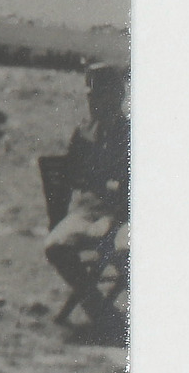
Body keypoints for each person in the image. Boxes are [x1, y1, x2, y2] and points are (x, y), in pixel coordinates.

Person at [42, 62, 128, 343]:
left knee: (125, 251)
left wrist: (113, 220)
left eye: (100, 94)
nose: (92, 100)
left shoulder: (131, 134)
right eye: (90, 94)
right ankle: (104, 315)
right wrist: (58, 219)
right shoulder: (84, 133)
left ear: (117, 96)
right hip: (90, 213)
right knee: (56, 245)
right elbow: (69, 177)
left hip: (125, 217)